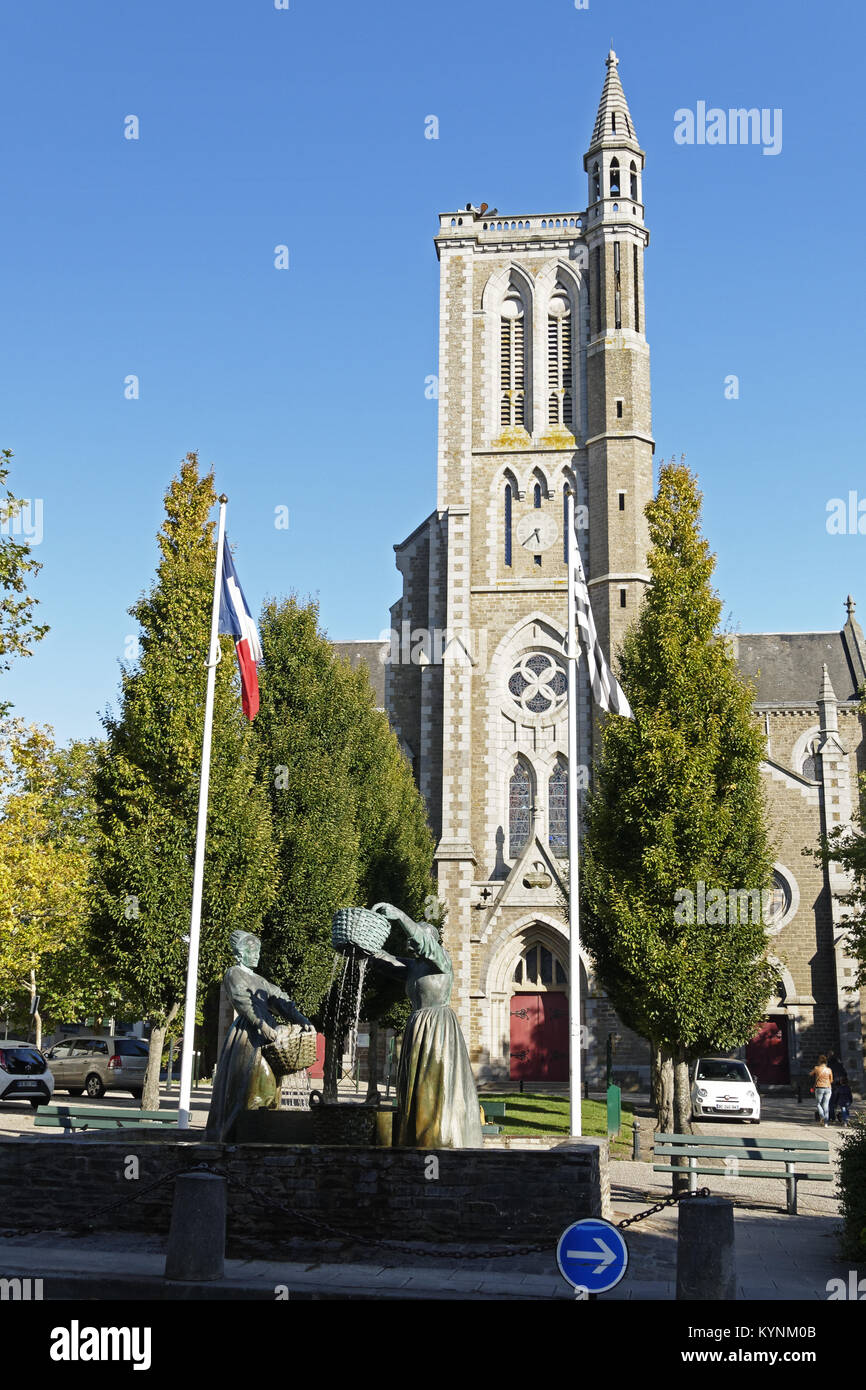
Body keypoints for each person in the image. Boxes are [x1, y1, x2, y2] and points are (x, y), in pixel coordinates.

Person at [366, 902, 483, 1148]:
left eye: (419, 935)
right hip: (417, 1027)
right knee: (415, 1086)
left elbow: (425, 943)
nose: (413, 940)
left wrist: (400, 915)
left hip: (437, 1029)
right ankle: (414, 1137)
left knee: (433, 1084)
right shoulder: (414, 967)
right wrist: (364, 948)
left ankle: (436, 1138)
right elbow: (387, 961)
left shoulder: (441, 959)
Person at [205, 930, 314, 1142]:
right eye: (251, 951)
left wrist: (302, 1020)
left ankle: (263, 1135)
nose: (256, 955)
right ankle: (243, 1137)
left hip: (268, 1036)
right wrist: (262, 1025)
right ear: (240, 953)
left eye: (258, 951)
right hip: (249, 1036)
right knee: (252, 1087)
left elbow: (280, 1000)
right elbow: (242, 1000)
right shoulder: (234, 973)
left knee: (271, 1087)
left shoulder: (261, 981)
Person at [809, 1054, 834, 1127]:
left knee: (818, 1104)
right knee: (826, 1104)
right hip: (828, 1088)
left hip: (819, 1087)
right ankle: (826, 1123)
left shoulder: (816, 1068)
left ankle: (822, 1117)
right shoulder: (829, 1070)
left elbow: (810, 1074)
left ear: (819, 1061)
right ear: (826, 1062)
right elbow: (831, 1080)